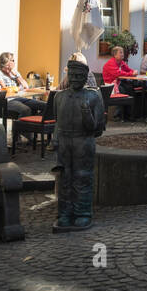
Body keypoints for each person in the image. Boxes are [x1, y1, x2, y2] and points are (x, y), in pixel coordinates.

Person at [51, 57, 105, 232]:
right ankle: (64, 213)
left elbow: (97, 129)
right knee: (65, 178)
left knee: (83, 176)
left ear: (85, 77)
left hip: (84, 141)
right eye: (72, 75)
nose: (74, 78)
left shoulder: (93, 96)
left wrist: (86, 114)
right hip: (65, 141)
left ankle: (83, 213)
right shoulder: (59, 97)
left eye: (78, 75)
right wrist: (56, 138)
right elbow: (57, 121)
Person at [0, 52, 43, 119]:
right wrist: (17, 88)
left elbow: (26, 86)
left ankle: (33, 126)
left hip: (19, 98)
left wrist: (16, 75)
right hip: (7, 100)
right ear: (6, 63)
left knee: (45, 106)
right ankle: (18, 128)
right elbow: (4, 88)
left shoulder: (14, 72)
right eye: (13, 60)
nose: (14, 63)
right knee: (26, 110)